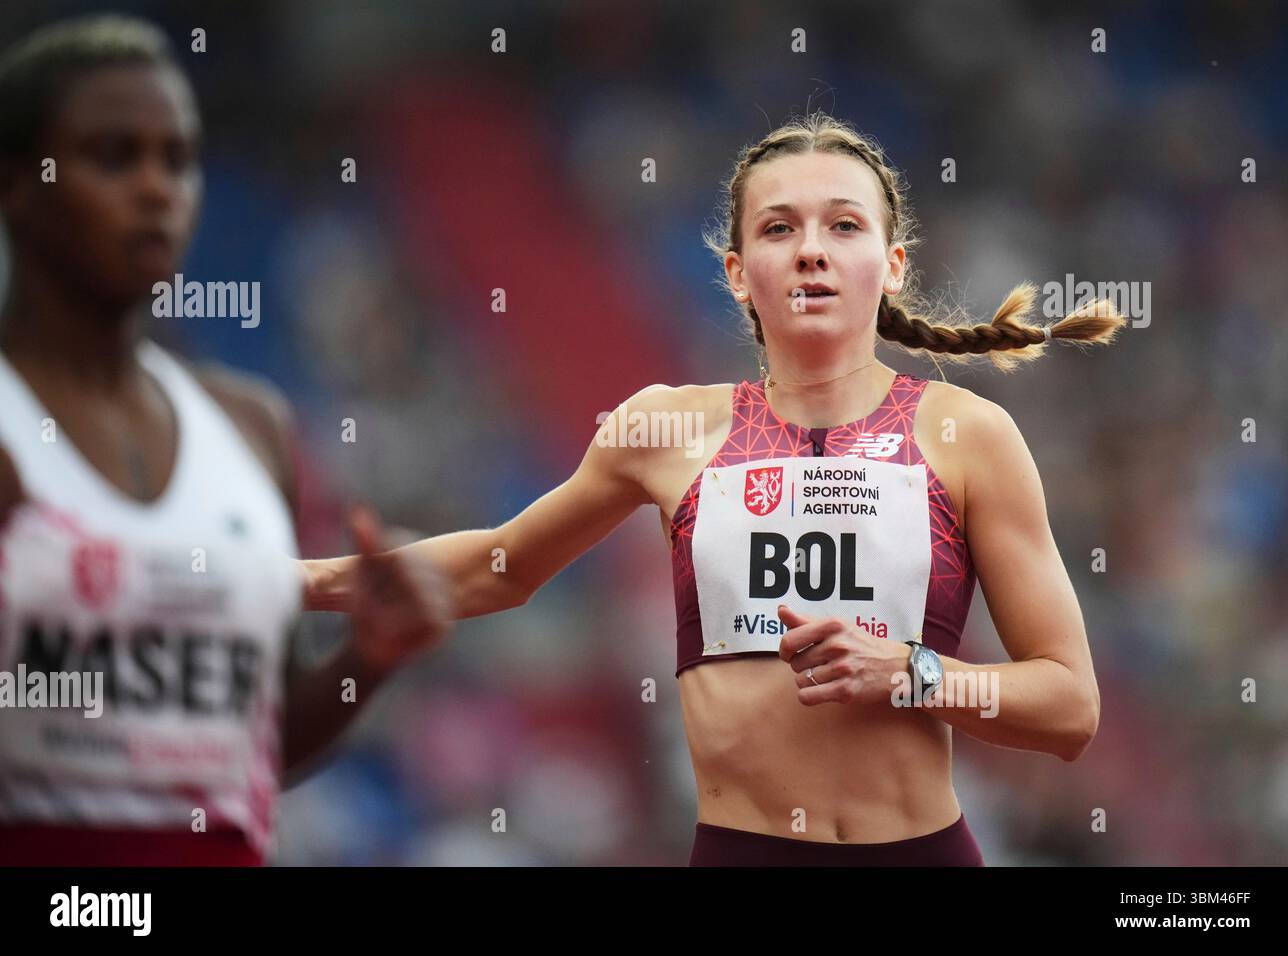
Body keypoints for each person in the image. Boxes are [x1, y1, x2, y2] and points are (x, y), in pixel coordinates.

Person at [303, 112, 1125, 865]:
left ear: (892, 264)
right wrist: (293, 583)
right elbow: (499, 566)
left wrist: (913, 671)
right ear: (737, 272)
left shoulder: (967, 434)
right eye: (778, 228)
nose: (812, 250)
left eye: (844, 225)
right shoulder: (668, 430)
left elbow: (1069, 707)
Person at [0, 14, 452, 866]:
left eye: (177, 160)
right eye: (114, 156)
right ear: (18, 183)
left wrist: (370, 656)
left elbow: (256, 750)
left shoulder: (252, 432)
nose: (156, 189)